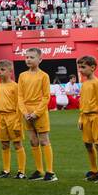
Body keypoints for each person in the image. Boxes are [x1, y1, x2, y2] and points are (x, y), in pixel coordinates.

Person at [18, 48, 56, 181]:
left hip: (39, 113)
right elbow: (20, 96)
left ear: (40, 60)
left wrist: (36, 113)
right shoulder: (22, 75)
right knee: (33, 141)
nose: (28, 59)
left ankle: (50, 171)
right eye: (27, 57)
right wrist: (24, 112)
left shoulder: (44, 76)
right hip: (27, 113)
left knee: (44, 140)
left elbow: (46, 97)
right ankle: (39, 170)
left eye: (32, 57)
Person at [77, 55, 98, 182]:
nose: (80, 70)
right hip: (85, 117)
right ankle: (94, 171)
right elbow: (82, 103)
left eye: (83, 67)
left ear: (92, 68)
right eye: (79, 67)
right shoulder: (85, 83)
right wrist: (81, 118)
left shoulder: (96, 83)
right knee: (87, 144)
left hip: (96, 118)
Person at [0, 59, 26, 179]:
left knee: (17, 144)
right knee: (4, 144)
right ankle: (6, 170)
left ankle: (21, 171)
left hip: (12, 117)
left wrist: (18, 121)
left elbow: (19, 105)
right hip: (1, 117)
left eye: (2, 70)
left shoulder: (15, 86)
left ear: (10, 71)